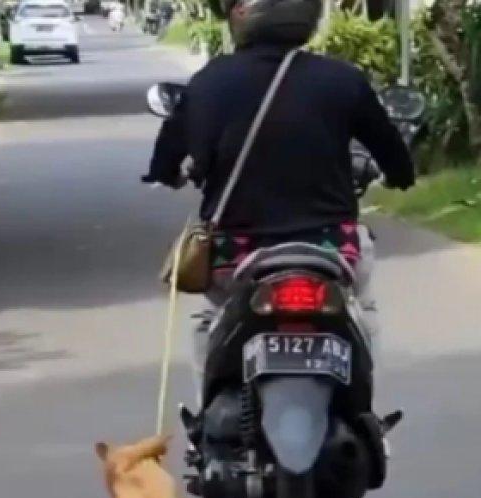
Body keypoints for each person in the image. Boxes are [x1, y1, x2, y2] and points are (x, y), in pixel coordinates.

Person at [141, 0, 415, 399]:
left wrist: (170, 173)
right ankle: (362, 406)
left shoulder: (209, 82)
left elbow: (165, 160)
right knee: (361, 312)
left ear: (245, 21)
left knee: (211, 318)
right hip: (331, 250)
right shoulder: (342, 79)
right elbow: (393, 154)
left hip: (237, 255)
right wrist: (400, 176)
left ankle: (208, 417)